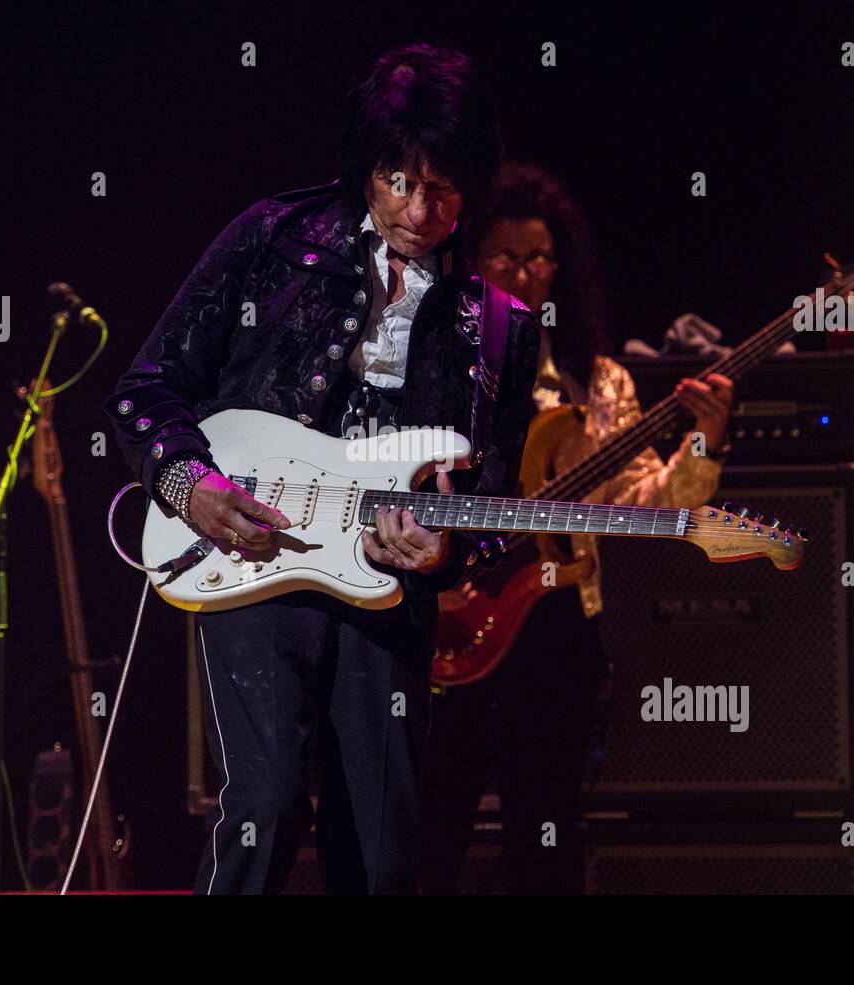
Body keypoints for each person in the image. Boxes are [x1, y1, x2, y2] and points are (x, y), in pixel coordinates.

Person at [104, 46, 540, 894]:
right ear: (365, 168)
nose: (419, 207)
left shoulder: (500, 328)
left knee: (382, 848)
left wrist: (449, 554)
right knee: (263, 805)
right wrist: (190, 484)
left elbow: (494, 504)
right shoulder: (272, 237)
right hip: (255, 562)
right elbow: (143, 390)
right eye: (397, 179)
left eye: (444, 185)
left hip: (386, 595)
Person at [419, 161, 733, 894]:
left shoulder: (599, 386)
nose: (524, 274)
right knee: (431, 829)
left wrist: (705, 442)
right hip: (446, 612)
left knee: (548, 830)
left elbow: (646, 501)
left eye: (539, 259)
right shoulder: (435, 364)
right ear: (471, 264)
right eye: (504, 257)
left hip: (556, 622)